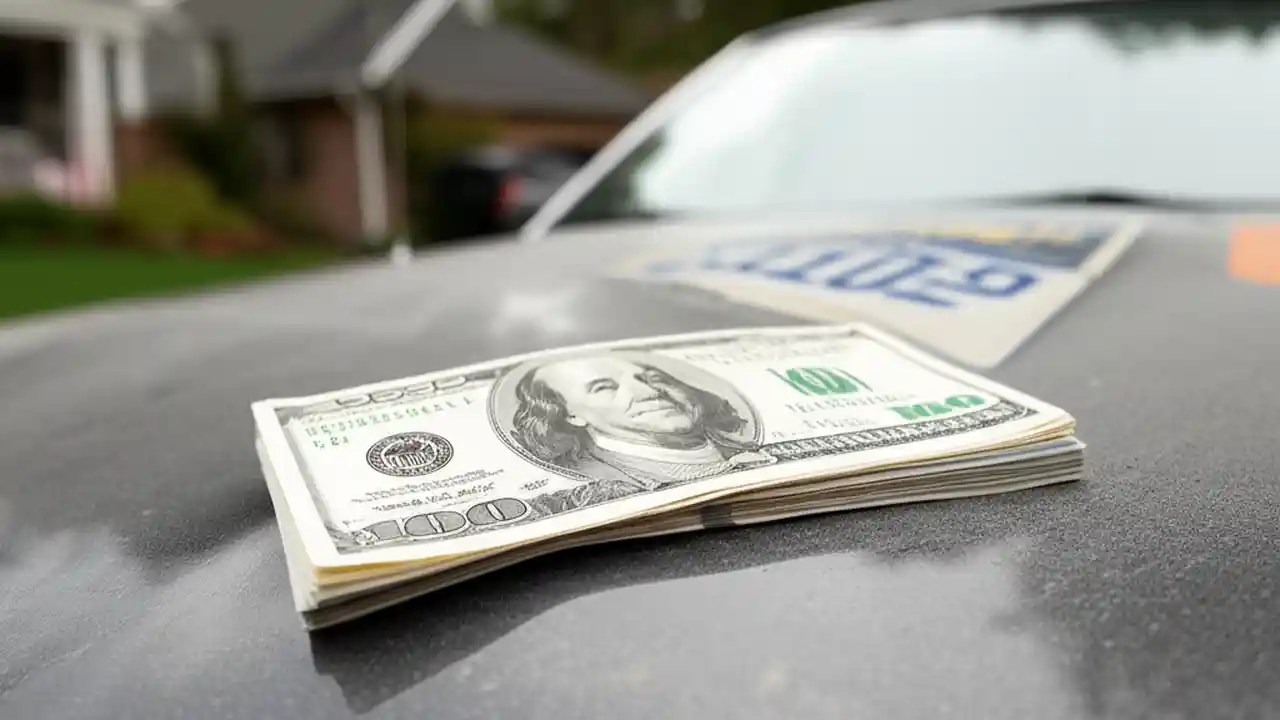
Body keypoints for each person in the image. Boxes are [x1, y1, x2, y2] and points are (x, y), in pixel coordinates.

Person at [510, 354, 772, 514]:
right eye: (604, 388)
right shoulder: (598, 486)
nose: (648, 392)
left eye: (649, 378)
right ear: (570, 416)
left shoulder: (741, 442)